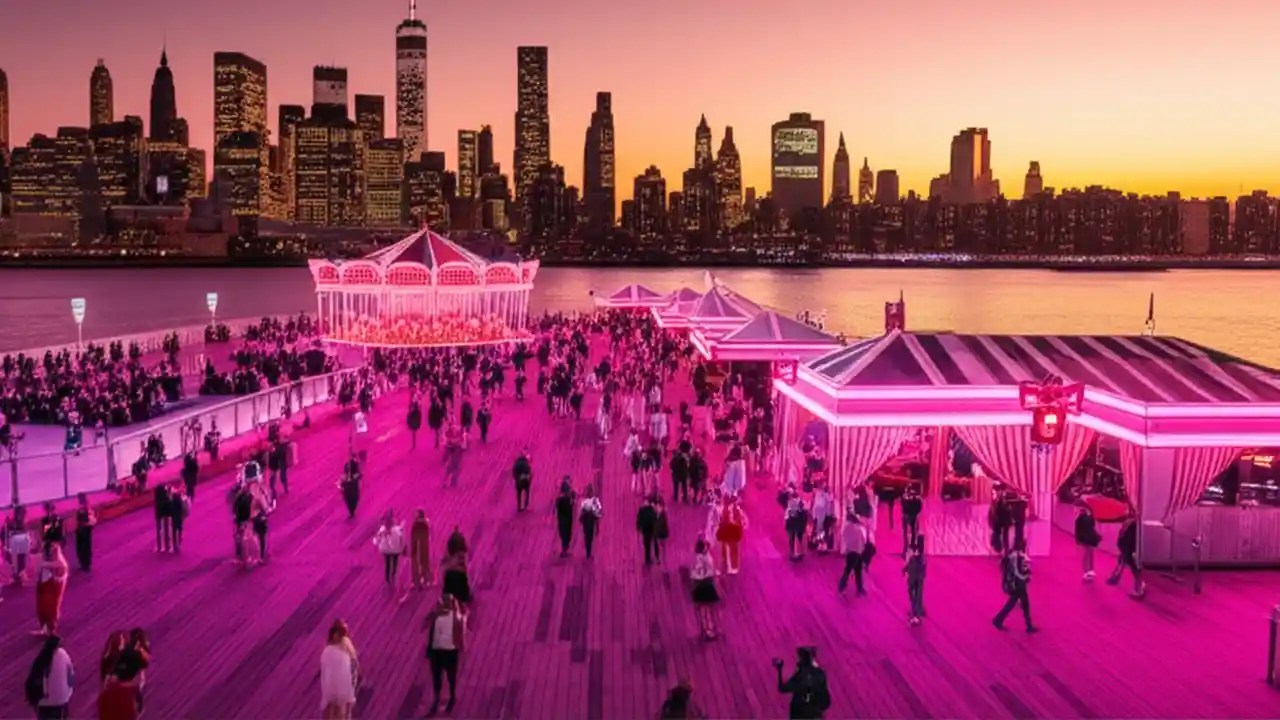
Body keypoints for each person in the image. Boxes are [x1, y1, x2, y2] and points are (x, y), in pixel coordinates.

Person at [423, 593, 466, 716]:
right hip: (447, 651)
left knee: (442, 676)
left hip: (441, 650)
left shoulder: (450, 617)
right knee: (446, 675)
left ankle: (444, 698)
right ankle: (446, 697)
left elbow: (425, 626)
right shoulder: (443, 616)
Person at [774, 646, 831, 719]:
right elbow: (825, 701)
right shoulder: (820, 673)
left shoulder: (800, 676)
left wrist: (779, 669)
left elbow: (782, 688)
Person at [26, 634, 74, 719]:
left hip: (45, 703)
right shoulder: (64, 655)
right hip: (62, 701)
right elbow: (70, 676)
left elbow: (32, 681)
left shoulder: (42, 658)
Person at [319, 619, 359, 720]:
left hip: (342, 680)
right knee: (334, 707)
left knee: (342, 707)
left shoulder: (345, 644)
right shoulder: (329, 648)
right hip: (334, 681)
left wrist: (353, 676)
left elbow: (353, 660)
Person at [993, 542, 1036, 633]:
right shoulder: (1015, 557)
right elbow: (1017, 572)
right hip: (1018, 584)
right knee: (1022, 604)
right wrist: (1026, 576)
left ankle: (1028, 625)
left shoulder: (1012, 556)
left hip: (1016, 584)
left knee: (1015, 603)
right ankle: (1028, 626)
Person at [1108, 514, 1146, 598]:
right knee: (1135, 570)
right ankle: (1139, 587)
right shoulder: (1132, 526)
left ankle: (1138, 590)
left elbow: (1127, 541)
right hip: (1130, 550)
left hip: (1130, 551)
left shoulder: (1131, 526)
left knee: (1135, 570)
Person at [35, 543, 69, 635]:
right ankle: (45, 628)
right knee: (41, 606)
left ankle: (51, 630)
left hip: (53, 581)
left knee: (51, 606)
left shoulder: (53, 548)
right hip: (43, 579)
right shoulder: (42, 546)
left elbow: (61, 565)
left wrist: (43, 564)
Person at [690, 537, 720, 640]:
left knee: (704, 609)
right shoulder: (705, 558)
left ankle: (706, 629)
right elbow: (708, 570)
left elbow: (693, 574)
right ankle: (708, 630)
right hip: (705, 584)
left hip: (701, 585)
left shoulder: (697, 558)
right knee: (707, 609)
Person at [374, 510, 406, 587]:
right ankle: (393, 573)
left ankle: (387, 578)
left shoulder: (382, 529)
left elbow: (377, 539)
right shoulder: (397, 529)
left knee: (387, 563)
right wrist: (402, 547)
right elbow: (401, 537)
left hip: (385, 549)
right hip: (395, 549)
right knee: (395, 561)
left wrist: (377, 543)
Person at [715, 497, 747, 574]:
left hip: (732, 531)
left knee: (733, 549)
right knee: (724, 550)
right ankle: (726, 567)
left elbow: (743, 521)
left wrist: (736, 523)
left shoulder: (736, 510)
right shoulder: (724, 509)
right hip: (727, 531)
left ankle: (733, 567)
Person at [837, 513, 867, 596]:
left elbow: (844, 538)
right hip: (857, 552)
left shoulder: (845, 528)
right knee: (857, 571)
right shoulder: (858, 529)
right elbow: (863, 540)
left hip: (849, 552)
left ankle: (846, 587)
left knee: (848, 570)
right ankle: (845, 587)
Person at [1075, 503, 1101, 581]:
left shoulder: (1080, 518)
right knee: (1088, 554)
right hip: (1088, 538)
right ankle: (1088, 571)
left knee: (1088, 554)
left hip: (1087, 538)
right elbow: (1091, 524)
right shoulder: (1084, 518)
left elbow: (1078, 530)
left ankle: (1088, 571)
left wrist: (1078, 540)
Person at [904, 534, 927, 625]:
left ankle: (916, 614)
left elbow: (912, 564)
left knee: (914, 594)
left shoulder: (917, 557)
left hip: (915, 578)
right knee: (915, 593)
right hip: (916, 577)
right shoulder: (919, 557)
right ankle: (917, 612)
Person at [410, 510, 433, 590]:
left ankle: (417, 581)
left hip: (417, 546)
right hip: (424, 546)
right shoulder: (426, 522)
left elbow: (413, 537)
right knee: (425, 562)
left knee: (417, 564)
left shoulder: (415, 524)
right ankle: (426, 580)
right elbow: (430, 533)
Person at [579, 485, 603, 559]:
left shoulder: (585, 502)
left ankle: (588, 552)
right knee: (589, 537)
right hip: (589, 522)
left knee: (588, 537)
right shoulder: (591, 501)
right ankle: (588, 552)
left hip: (588, 522)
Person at [74, 493, 96, 571]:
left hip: (83, 530)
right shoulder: (86, 508)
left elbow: (85, 521)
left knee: (84, 547)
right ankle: (85, 564)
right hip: (84, 530)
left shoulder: (84, 509)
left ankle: (85, 564)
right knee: (84, 547)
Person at [636, 495, 660, 565]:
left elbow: (639, 519)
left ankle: (654, 557)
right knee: (647, 545)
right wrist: (639, 526)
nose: (645, 503)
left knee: (651, 544)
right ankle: (648, 558)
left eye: (646, 501)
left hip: (650, 529)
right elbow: (639, 519)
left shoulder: (649, 509)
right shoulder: (644, 510)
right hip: (647, 530)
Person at [554, 481, 576, 557]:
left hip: (566, 519)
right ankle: (564, 550)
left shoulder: (564, 498)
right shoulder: (562, 499)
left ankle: (565, 549)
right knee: (565, 535)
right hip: (564, 519)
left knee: (567, 534)